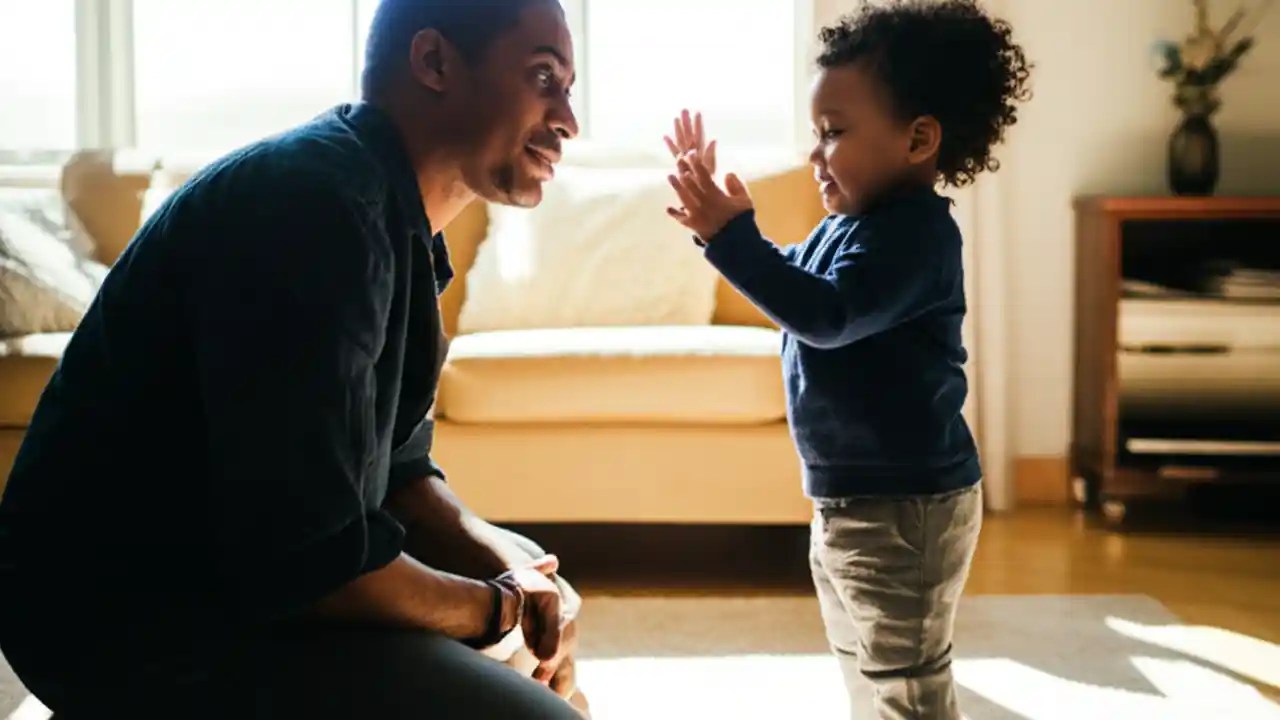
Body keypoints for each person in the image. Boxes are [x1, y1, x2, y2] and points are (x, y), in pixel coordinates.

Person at [0, 0, 590, 717]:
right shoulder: (314, 209)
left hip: (236, 579)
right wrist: (496, 612)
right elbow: (315, 566)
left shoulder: (394, 226)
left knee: (529, 592)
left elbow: (400, 477)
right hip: (124, 621)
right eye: (542, 77)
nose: (567, 120)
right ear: (435, 63)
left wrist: (519, 574)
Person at [663, 1, 1031, 717]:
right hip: (850, 497)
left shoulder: (915, 238)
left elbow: (825, 315)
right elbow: (796, 288)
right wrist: (727, 235)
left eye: (834, 133)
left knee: (905, 682)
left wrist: (732, 237)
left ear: (919, 138)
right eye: (815, 133)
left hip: (906, 505)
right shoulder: (851, 230)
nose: (814, 154)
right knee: (865, 668)